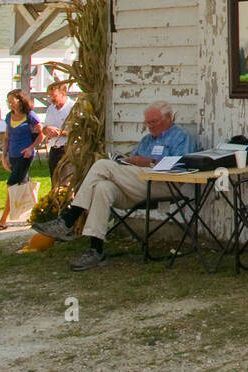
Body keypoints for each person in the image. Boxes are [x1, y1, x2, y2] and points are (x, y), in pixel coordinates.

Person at [33, 101, 195, 270]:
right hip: (136, 185)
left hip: (164, 185)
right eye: (147, 123)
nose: (150, 126)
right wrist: (127, 161)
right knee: (103, 187)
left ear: (168, 118)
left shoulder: (180, 137)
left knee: (102, 165)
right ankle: (95, 250)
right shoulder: (147, 140)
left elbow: (183, 165)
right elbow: (131, 163)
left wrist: (150, 162)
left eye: (154, 122)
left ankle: (68, 220)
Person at [0, 90, 42, 230]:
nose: (10, 103)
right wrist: (3, 156)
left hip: (25, 155)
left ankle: (3, 220)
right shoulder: (9, 116)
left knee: (11, 185)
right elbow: (7, 137)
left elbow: (41, 134)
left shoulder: (30, 116)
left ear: (20, 100)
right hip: (13, 154)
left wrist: (30, 148)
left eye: (12, 100)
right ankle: (38, 214)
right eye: (8, 101)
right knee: (25, 185)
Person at [40, 83, 74, 184]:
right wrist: (47, 130)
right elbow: (44, 128)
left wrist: (59, 132)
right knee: (54, 181)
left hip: (68, 149)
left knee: (65, 182)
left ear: (63, 93)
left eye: (54, 96)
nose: (51, 99)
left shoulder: (73, 108)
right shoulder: (51, 109)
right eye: (49, 96)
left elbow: (79, 131)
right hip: (54, 149)